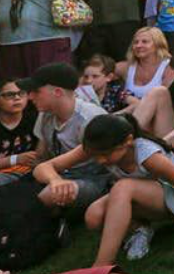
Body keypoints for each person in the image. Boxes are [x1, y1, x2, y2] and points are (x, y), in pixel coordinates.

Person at [35, 114, 174, 266]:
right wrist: (55, 180)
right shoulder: (97, 147)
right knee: (93, 217)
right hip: (142, 197)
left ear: (128, 141)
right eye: (95, 155)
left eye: (105, 155)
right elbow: (43, 167)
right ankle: (140, 229)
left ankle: (102, 264)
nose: (100, 160)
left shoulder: (147, 154)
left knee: (123, 187)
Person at [22, 63, 111, 215]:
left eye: (36, 91)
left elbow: (109, 164)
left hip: (92, 179)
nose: (30, 96)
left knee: (50, 193)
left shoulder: (90, 119)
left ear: (57, 92)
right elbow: (41, 157)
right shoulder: (46, 113)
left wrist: (51, 177)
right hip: (56, 173)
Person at [114, 27, 173, 111]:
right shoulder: (126, 67)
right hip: (131, 116)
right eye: (135, 42)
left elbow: (166, 102)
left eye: (144, 42)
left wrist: (135, 103)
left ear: (157, 44)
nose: (138, 45)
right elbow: (100, 73)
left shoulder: (168, 67)